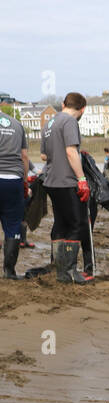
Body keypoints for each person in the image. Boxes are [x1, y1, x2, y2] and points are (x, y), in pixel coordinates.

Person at [40, 92, 91, 283]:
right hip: (66, 180)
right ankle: (69, 271)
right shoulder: (70, 122)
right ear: (82, 108)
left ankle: (60, 270)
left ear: (63, 104)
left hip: (51, 181)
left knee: (60, 224)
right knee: (76, 224)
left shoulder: (49, 123)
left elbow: (44, 156)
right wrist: (82, 179)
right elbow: (71, 151)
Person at [0, 108, 30, 280]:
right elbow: (24, 156)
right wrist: (24, 180)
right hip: (13, 180)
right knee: (12, 226)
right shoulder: (16, 124)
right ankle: (9, 271)